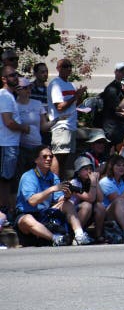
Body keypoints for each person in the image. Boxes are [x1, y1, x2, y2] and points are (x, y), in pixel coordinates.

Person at [14, 145, 91, 246]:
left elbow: (59, 199)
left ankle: (79, 235)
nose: (49, 159)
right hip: (27, 215)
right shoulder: (28, 176)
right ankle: (56, 238)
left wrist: (67, 195)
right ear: (36, 160)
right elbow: (32, 201)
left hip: (44, 213)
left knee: (68, 204)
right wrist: (51, 189)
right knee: (27, 219)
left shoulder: (53, 177)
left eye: (51, 156)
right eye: (45, 157)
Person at [48, 58, 88, 177]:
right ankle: (54, 185)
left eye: (70, 66)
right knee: (58, 156)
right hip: (61, 126)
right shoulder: (55, 84)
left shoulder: (71, 84)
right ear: (58, 69)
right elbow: (60, 107)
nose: (69, 68)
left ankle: (60, 184)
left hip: (71, 126)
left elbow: (76, 104)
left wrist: (80, 96)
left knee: (66, 159)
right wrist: (75, 96)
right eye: (65, 66)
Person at [16, 77, 59, 173]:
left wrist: (57, 120)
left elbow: (43, 127)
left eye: (30, 87)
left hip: (37, 146)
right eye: (25, 87)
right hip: (21, 147)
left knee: (41, 173)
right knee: (22, 176)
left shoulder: (37, 103)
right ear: (17, 90)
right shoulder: (14, 105)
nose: (28, 90)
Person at [1, 65, 27, 212]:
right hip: (6, 143)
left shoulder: (10, 96)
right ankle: (3, 210)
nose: (15, 77)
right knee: (5, 179)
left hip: (11, 143)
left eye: (16, 74)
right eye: (11, 75)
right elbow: (8, 121)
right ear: (3, 79)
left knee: (8, 178)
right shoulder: (4, 95)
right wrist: (24, 128)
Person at [99, 62, 124, 147]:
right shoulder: (111, 89)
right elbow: (117, 109)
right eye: (121, 71)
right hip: (113, 130)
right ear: (115, 72)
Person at [69, 155, 103, 242]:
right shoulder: (74, 183)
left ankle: (98, 235)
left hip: (85, 214)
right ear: (78, 172)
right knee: (87, 205)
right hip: (71, 214)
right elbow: (90, 198)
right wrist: (94, 182)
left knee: (100, 206)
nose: (89, 171)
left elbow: (100, 199)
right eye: (85, 169)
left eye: (90, 168)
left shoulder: (90, 182)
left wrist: (96, 182)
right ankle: (75, 235)